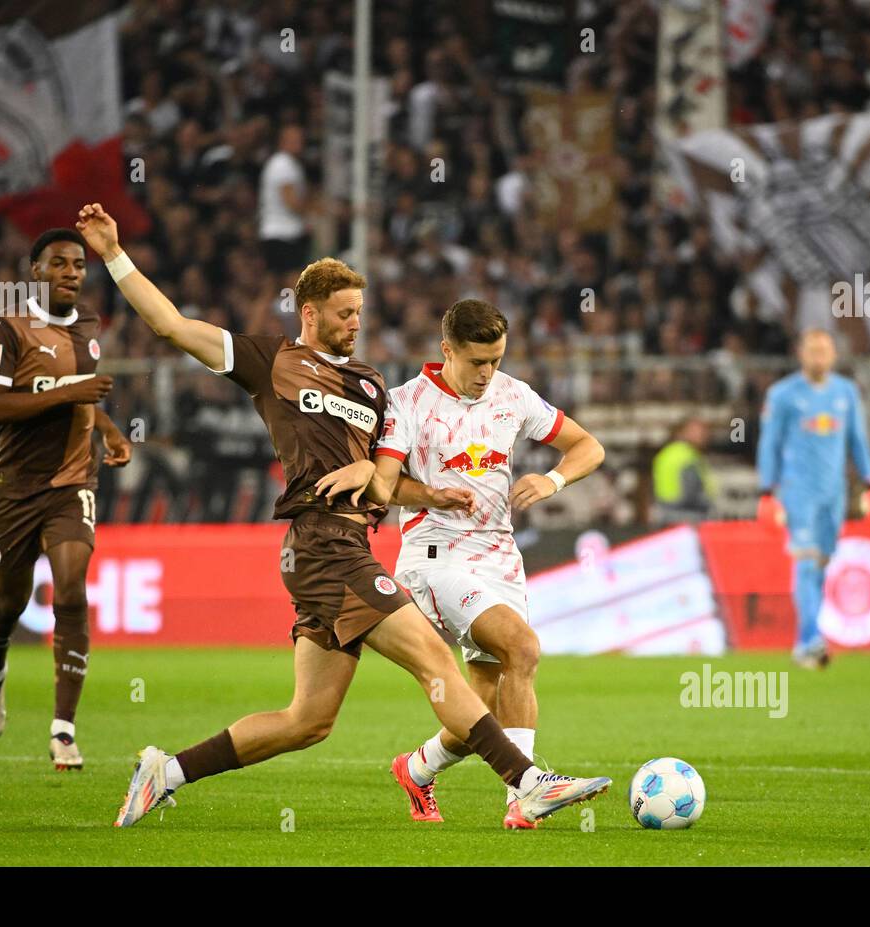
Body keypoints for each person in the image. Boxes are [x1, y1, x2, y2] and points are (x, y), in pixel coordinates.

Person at [73, 203, 611, 829]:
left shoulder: (370, 386)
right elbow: (170, 325)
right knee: (436, 663)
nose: (357, 323)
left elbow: (385, 480)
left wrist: (414, 490)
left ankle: (166, 772)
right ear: (310, 313)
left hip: (350, 546)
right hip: (323, 544)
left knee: (308, 722)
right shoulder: (268, 361)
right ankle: (526, 783)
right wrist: (113, 254)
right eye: (344, 313)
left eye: (360, 312)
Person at [371, 299, 606, 828]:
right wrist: (430, 494)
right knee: (523, 646)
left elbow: (588, 447)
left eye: (496, 360)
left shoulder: (513, 396)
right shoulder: (407, 403)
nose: (487, 374)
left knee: (484, 705)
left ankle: (417, 768)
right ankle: (524, 798)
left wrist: (552, 480)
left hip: (499, 557)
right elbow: (383, 485)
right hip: (434, 554)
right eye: (477, 362)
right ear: (446, 350)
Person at [0, 228, 133, 770]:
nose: (72, 272)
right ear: (35, 271)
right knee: (10, 602)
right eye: (59, 263)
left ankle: (63, 729)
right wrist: (71, 394)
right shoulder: (8, 327)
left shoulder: (87, 327)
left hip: (72, 482)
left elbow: (81, 395)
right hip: (15, 488)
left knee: (70, 587)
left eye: (79, 265)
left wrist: (108, 430)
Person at [755, 330, 870, 669]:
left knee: (821, 567)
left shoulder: (846, 392)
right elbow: (769, 443)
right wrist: (767, 491)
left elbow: (858, 439)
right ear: (800, 354)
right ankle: (812, 641)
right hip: (797, 491)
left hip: (834, 493)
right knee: (806, 561)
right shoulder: (782, 395)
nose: (818, 357)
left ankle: (803, 643)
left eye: (824, 350)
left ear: (834, 354)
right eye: (812, 350)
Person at [258, 124, 310, 280]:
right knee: (292, 285)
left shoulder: (289, 164)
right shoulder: (283, 164)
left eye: (300, 139)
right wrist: (317, 210)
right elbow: (291, 202)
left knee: (273, 287)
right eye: (293, 140)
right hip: (283, 234)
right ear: (282, 142)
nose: (299, 143)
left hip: (279, 233)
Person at [652, 416, 714, 524]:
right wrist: (709, 503)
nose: (704, 436)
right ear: (684, 432)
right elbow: (690, 495)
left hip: (665, 512)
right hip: (685, 516)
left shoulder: (667, 453)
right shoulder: (687, 456)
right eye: (700, 432)